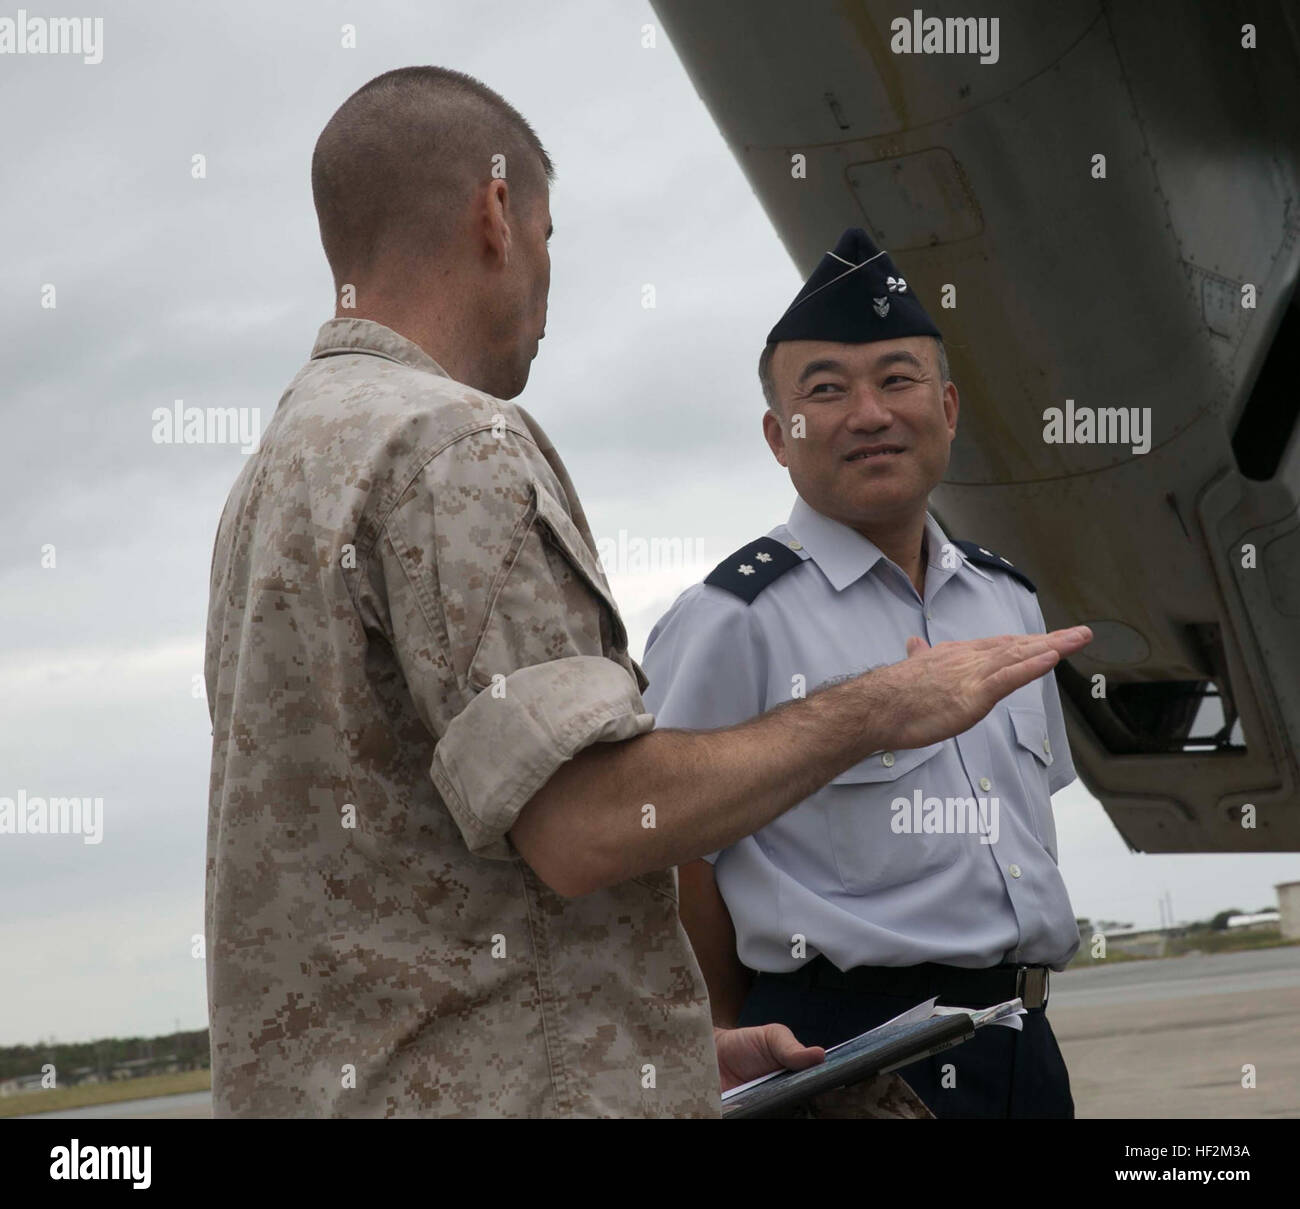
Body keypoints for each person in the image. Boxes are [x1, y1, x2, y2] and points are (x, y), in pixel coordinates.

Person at [204, 70, 1092, 1118]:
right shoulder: (450, 443)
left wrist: (677, 1048)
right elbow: (587, 823)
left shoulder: (283, 466)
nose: (546, 276)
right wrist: (880, 709)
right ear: (497, 215)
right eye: (547, 235)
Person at [642, 228, 1085, 1119]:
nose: (870, 413)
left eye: (896, 379)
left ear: (948, 408)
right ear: (779, 435)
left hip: (1023, 1043)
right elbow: (671, 853)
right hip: (842, 1055)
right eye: (827, 390)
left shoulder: (1007, 599)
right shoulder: (735, 616)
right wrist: (725, 1034)